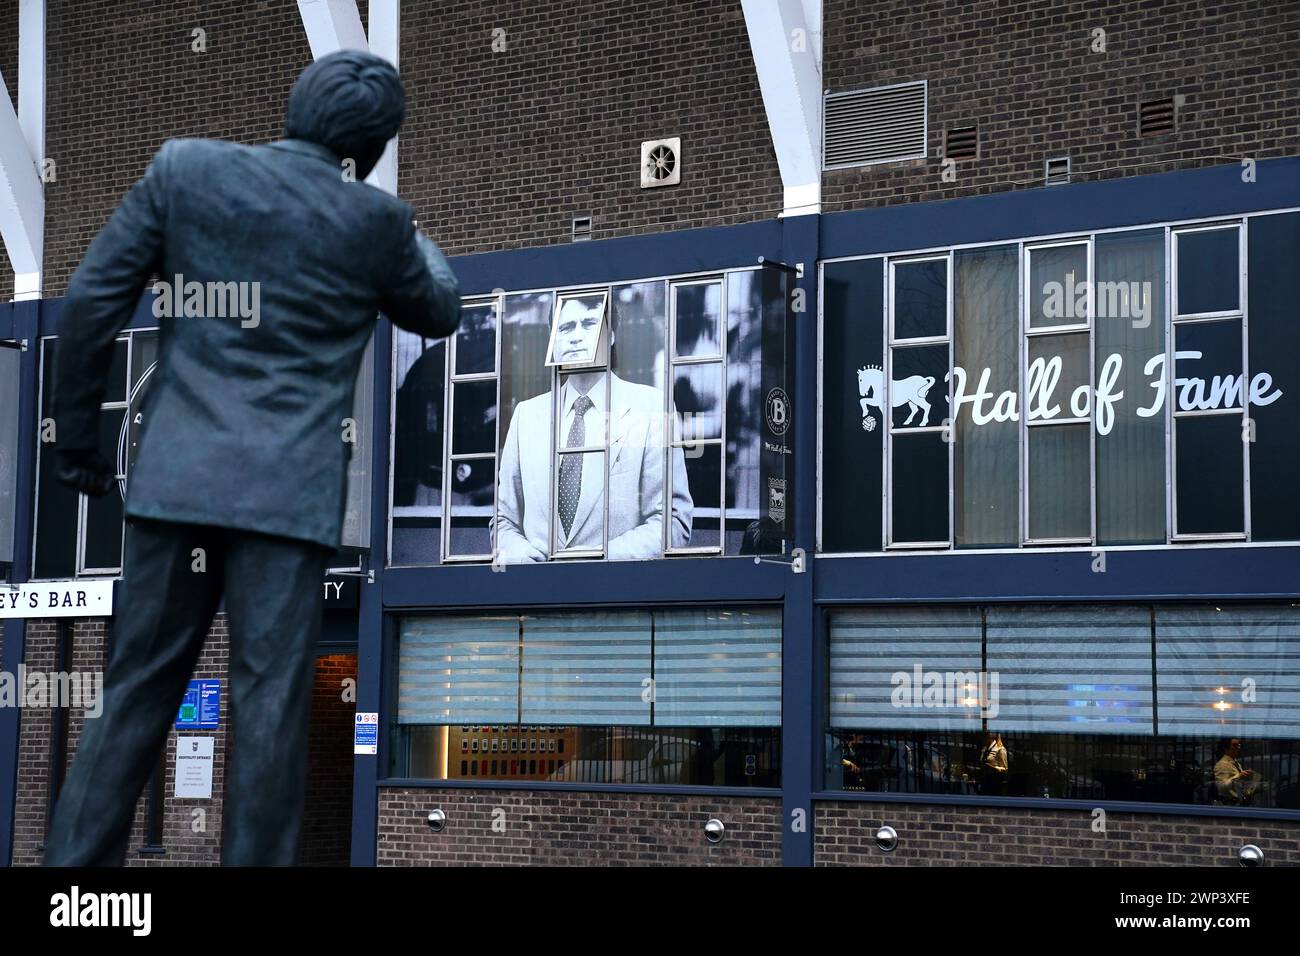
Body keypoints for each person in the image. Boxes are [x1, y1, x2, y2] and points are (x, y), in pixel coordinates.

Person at [43, 50, 461, 866]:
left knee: (132, 694)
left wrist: (77, 440)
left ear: (293, 106)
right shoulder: (376, 223)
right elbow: (439, 308)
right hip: (287, 501)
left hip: (176, 484)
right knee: (270, 712)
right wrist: (407, 229)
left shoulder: (185, 171)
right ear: (372, 148)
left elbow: (91, 302)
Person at [494, 298, 692, 561]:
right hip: (536, 584)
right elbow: (503, 520)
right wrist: (519, 553)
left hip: (614, 584)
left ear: (611, 336)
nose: (576, 336)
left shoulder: (652, 407)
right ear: (553, 340)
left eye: (589, 324)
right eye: (565, 328)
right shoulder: (526, 416)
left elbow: (673, 523)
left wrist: (598, 557)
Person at [1213, 738, 1260, 806]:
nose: (1238, 747)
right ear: (1226, 748)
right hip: (1228, 804)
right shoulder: (1222, 764)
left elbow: (1238, 785)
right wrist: (1239, 776)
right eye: (1235, 745)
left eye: (1239, 745)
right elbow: (1221, 787)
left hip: (1236, 802)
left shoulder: (1235, 763)